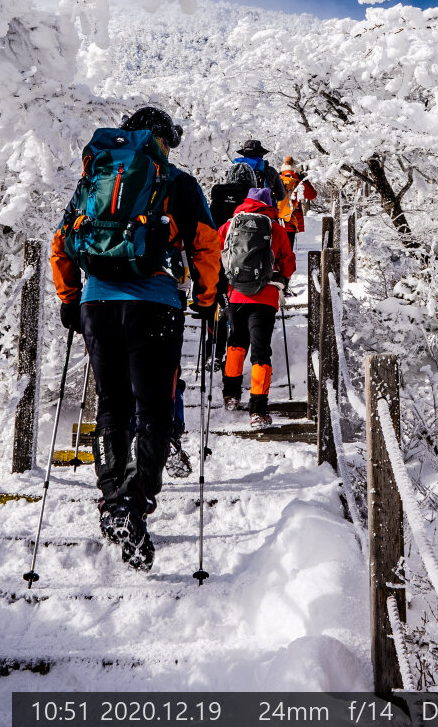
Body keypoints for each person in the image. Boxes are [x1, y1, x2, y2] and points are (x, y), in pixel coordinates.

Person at [51, 106, 219, 570]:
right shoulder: (176, 182)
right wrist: (206, 299)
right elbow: (205, 242)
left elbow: (62, 241)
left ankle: (110, 500)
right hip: (155, 304)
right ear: (165, 140)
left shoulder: (96, 178)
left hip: (96, 304)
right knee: (154, 409)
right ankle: (136, 500)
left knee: (112, 406)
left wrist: (70, 298)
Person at [217, 185, 296, 428]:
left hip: (236, 294)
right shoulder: (274, 228)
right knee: (260, 350)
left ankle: (231, 394)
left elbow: (215, 250)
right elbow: (288, 262)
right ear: (269, 205)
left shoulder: (231, 224)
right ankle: (258, 410)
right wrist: (282, 280)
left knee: (236, 343)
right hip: (266, 297)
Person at [211, 138, 284, 226]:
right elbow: (281, 196)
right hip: (262, 216)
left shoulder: (234, 170)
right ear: (261, 154)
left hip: (232, 217)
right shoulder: (270, 171)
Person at [278, 156, 317, 235]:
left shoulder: (277, 179)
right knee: (288, 246)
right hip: (291, 221)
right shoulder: (298, 181)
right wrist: (305, 181)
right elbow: (312, 195)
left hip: (277, 220)